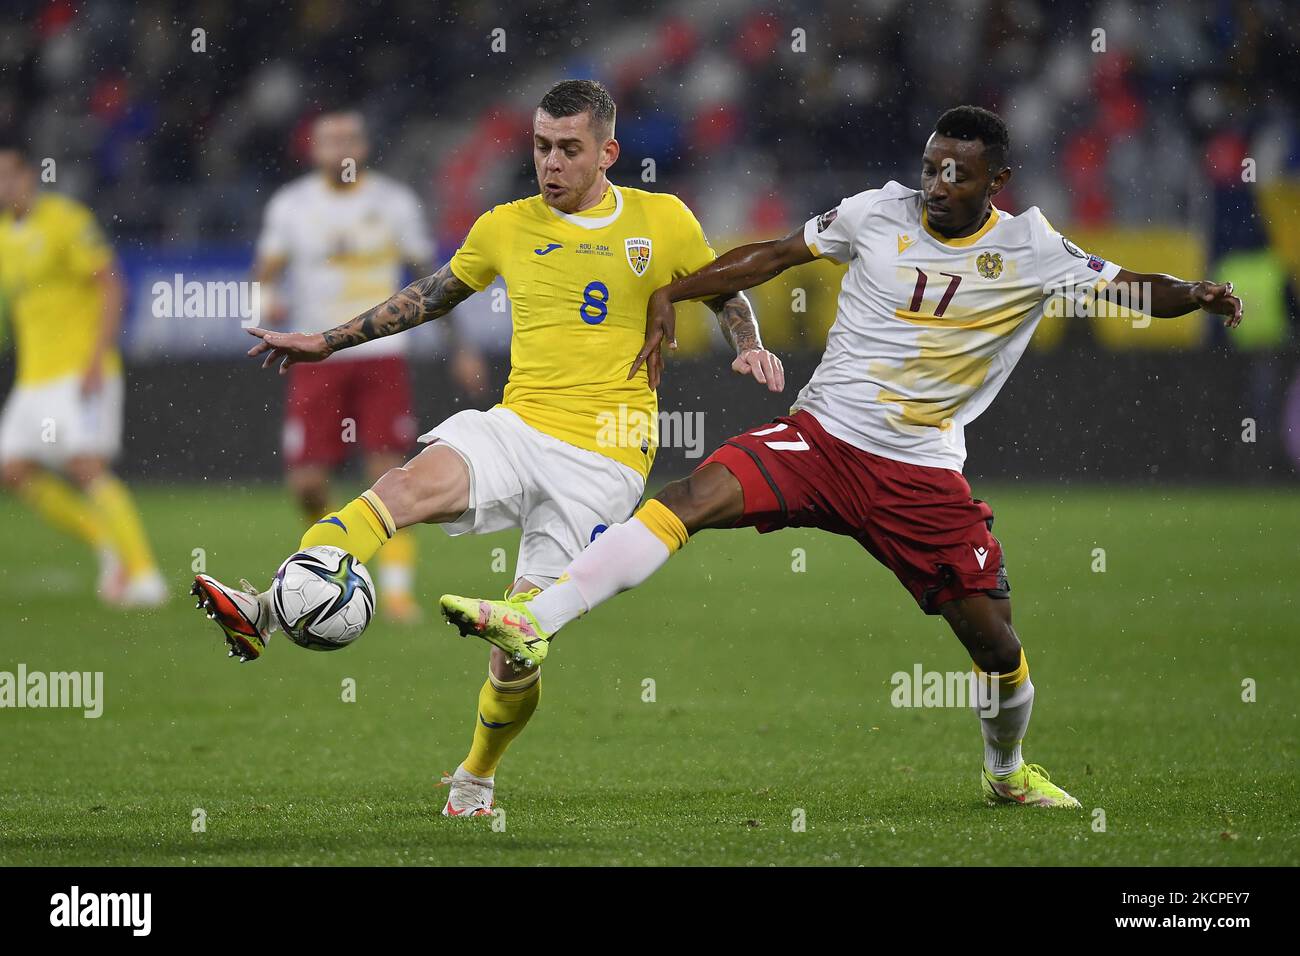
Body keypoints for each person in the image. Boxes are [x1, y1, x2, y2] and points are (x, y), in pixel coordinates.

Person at [440, 106, 1245, 809]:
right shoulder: (876, 212)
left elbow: (1128, 287)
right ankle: (534, 620)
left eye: (957, 174)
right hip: (821, 440)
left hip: (920, 472)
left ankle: (1008, 772)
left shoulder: (1033, 250)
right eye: (930, 166)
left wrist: (1197, 292)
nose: (936, 184)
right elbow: (774, 256)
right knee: (691, 494)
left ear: (995, 180)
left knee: (996, 646)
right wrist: (671, 294)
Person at [191, 80, 783, 816]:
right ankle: (264, 613)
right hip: (516, 426)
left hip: (604, 458)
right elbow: (432, 294)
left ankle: (475, 776)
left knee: (516, 649)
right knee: (400, 489)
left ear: (609, 152)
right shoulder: (506, 225)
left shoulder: (661, 220)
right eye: (541, 147)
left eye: (569, 149)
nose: (551, 163)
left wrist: (749, 344)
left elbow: (726, 288)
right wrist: (326, 341)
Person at [254, 109, 486, 622]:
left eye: (350, 138)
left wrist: (462, 348)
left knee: (387, 471)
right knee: (308, 484)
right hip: (317, 354)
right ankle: (328, 560)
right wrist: (266, 301)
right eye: (329, 140)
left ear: (363, 147)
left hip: (381, 354)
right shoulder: (291, 206)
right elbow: (266, 271)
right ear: (312, 150)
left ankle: (397, 594)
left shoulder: (394, 203)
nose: (341, 149)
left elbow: (431, 280)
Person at [0, 144, 166, 607]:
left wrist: (97, 358)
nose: (3, 187)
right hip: (33, 379)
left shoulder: (65, 220)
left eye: (9, 176)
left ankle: (145, 574)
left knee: (86, 466)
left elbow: (111, 283)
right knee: (12, 471)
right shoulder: (2, 239)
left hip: (79, 372)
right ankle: (106, 540)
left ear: (29, 177)